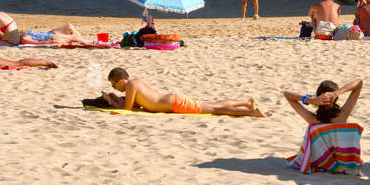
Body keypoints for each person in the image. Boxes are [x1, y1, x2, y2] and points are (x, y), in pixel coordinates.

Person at [102, 67, 265, 116]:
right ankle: (246, 102)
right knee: (213, 106)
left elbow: (128, 109)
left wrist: (111, 102)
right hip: (173, 101)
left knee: (215, 109)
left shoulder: (131, 86)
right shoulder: (135, 83)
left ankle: (253, 113)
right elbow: (137, 106)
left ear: (121, 81)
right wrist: (116, 99)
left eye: (114, 85)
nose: (114, 88)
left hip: (175, 103)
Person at [0, 3, 88, 46]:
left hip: (12, 43)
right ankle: (83, 40)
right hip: (14, 38)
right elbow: (0, 29)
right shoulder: (2, 13)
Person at [283, 78, 362, 125]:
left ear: (317, 95)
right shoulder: (343, 115)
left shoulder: (312, 119)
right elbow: (359, 82)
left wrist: (311, 100)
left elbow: (287, 94)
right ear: (336, 99)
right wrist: (336, 93)